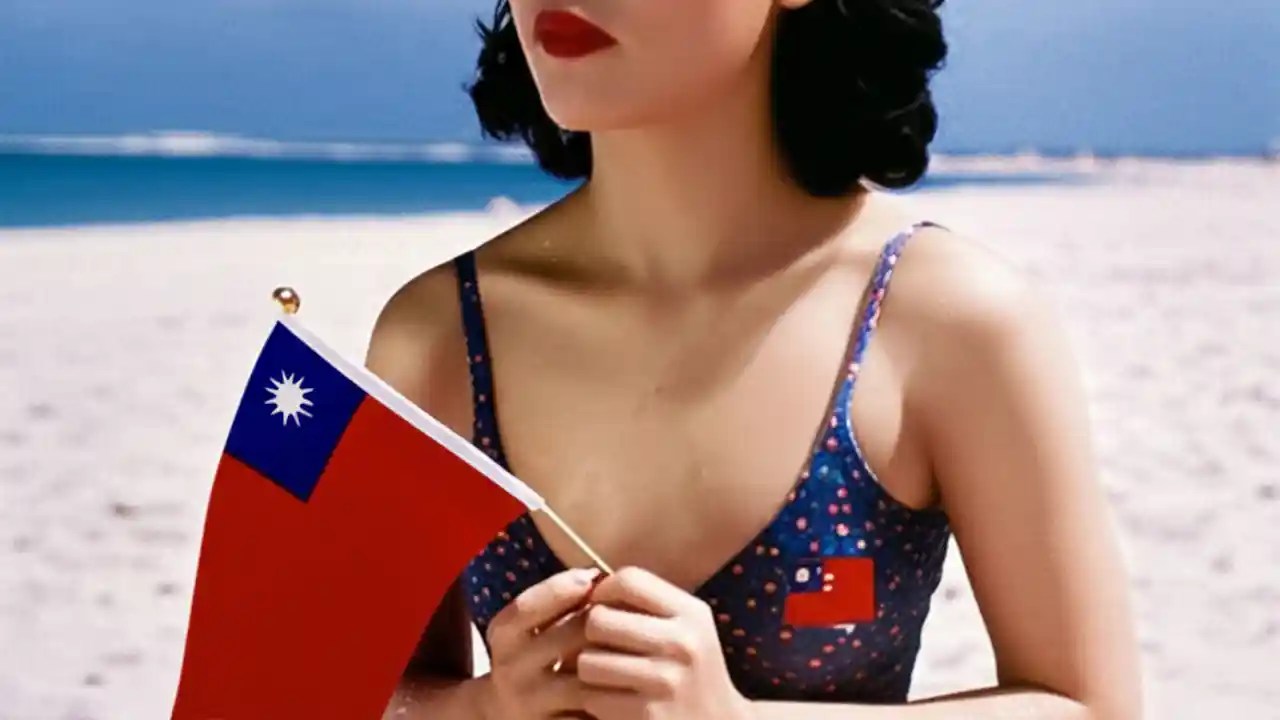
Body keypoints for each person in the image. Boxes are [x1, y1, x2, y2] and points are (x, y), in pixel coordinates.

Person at [370, 0, 1142, 717]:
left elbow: (1090, 707)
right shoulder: (436, 337)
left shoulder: (949, 323)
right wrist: (481, 707)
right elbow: (332, 689)